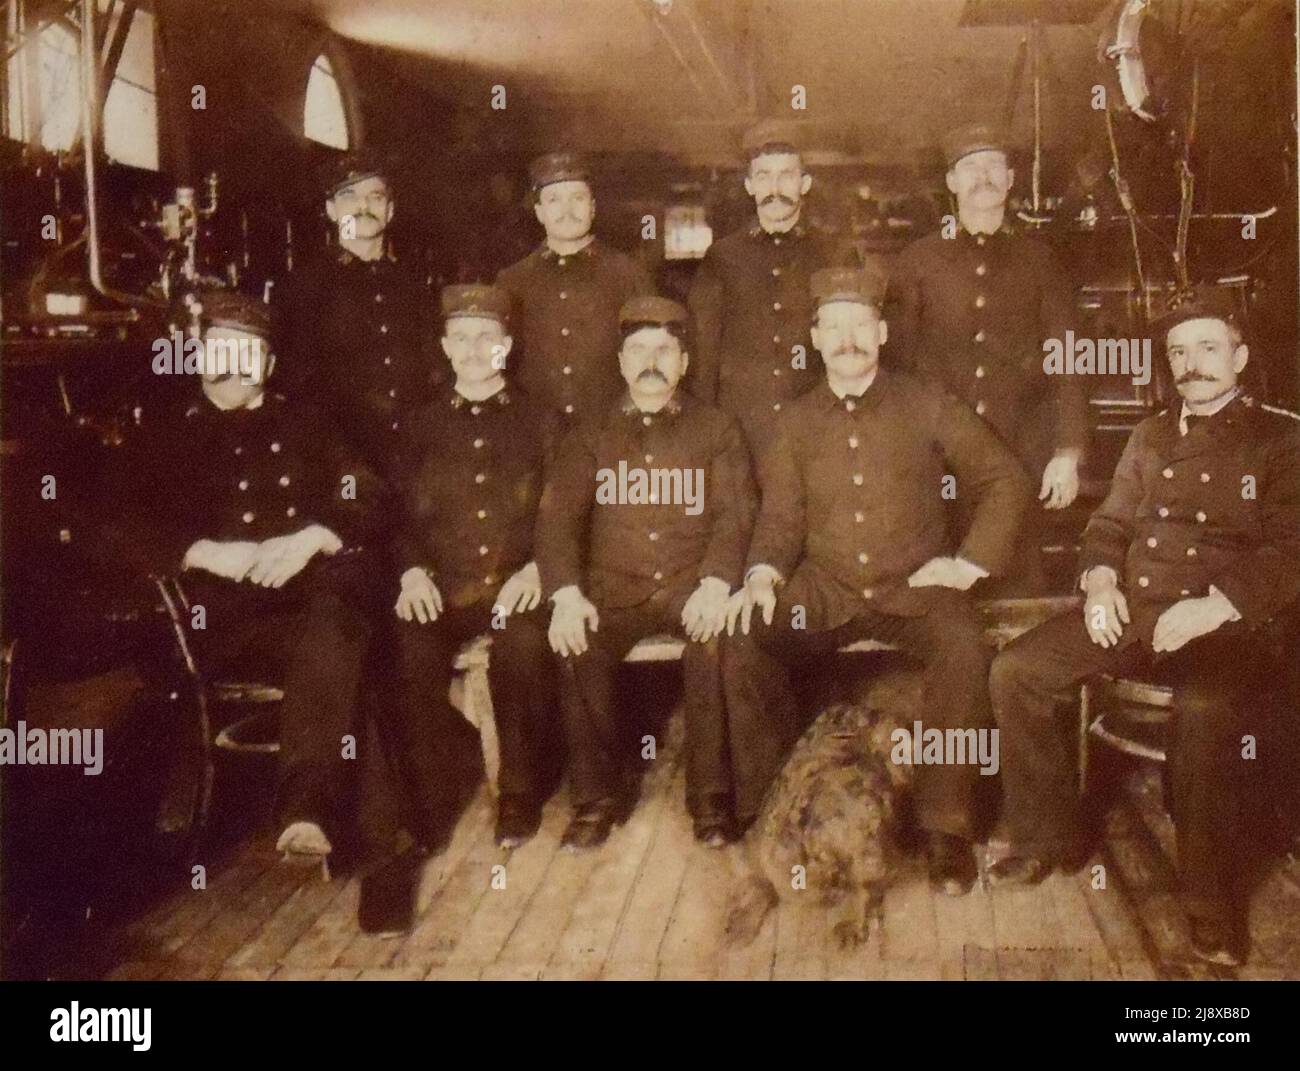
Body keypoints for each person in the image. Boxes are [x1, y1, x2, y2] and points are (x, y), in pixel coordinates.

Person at [988, 287, 1300, 967]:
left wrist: (1213, 606)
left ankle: (1208, 904)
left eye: (1209, 348)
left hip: (1228, 626)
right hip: (1138, 609)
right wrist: (1100, 581)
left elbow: (1289, 549)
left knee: (1206, 709)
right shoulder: (1149, 433)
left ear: (1241, 356)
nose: (1192, 364)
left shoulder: (1283, 436)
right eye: (1179, 352)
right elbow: (1109, 525)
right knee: (1018, 669)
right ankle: (1045, 838)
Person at [726, 266, 1032, 896]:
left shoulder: (927, 401)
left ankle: (946, 827)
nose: (848, 339)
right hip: (824, 587)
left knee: (965, 648)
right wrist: (761, 575)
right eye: (834, 327)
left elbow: (1005, 477)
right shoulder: (793, 421)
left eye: (861, 325)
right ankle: (776, 808)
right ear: (815, 338)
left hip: (913, 589)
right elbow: (781, 517)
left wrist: (968, 563)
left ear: (883, 332)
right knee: (745, 639)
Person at [535, 296, 761, 849]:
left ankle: (711, 801)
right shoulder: (589, 434)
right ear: (620, 363)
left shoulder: (717, 427)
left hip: (692, 586)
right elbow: (557, 522)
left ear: (685, 362)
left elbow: (737, 512)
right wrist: (565, 594)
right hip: (613, 591)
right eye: (638, 350)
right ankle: (594, 800)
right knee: (575, 643)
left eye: (665, 350)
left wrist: (715, 582)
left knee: (715, 643)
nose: (651, 361)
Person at [388, 284, 560, 853]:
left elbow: (566, 509)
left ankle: (519, 794)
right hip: (444, 587)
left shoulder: (542, 420)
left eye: (485, 336)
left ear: (505, 347)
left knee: (523, 650)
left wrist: (539, 569)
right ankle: (421, 809)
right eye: (460, 337)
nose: (472, 348)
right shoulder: (418, 425)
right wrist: (412, 572)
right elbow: (396, 515)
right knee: (407, 657)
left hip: (519, 584)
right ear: (443, 346)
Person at [885, 121, 1087, 593]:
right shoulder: (917, 261)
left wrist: (1068, 451)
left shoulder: (1041, 261)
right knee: (936, 587)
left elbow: (1069, 359)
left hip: (1023, 451)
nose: (983, 177)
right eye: (970, 167)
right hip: (938, 458)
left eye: (994, 166)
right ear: (951, 182)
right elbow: (895, 364)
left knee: (1019, 587)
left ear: (1012, 180)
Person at [687, 119, 851, 458]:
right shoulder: (722, 258)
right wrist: (706, 433)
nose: (775, 188)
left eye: (786, 175)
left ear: (804, 183)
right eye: (764, 176)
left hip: (818, 428)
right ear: (750, 186)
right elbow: (704, 353)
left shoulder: (835, 254)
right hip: (742, 430)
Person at [275, 149, 437, 478]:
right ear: (331, 210)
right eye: (349, 197)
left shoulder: (416, 283)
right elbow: (295, 387)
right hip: (341, 461)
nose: (363, 207)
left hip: (416, 458)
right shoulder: (304, 287)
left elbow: (434, 369)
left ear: (389, 211)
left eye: (375, 197)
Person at [496, 151, 653, 427]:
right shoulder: (511, 281)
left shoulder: (628, 274)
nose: (567, 211)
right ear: (539, 212)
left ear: (593, 207)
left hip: (611, 433)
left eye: (577, 199)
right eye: (554, 200)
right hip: (536, 436)